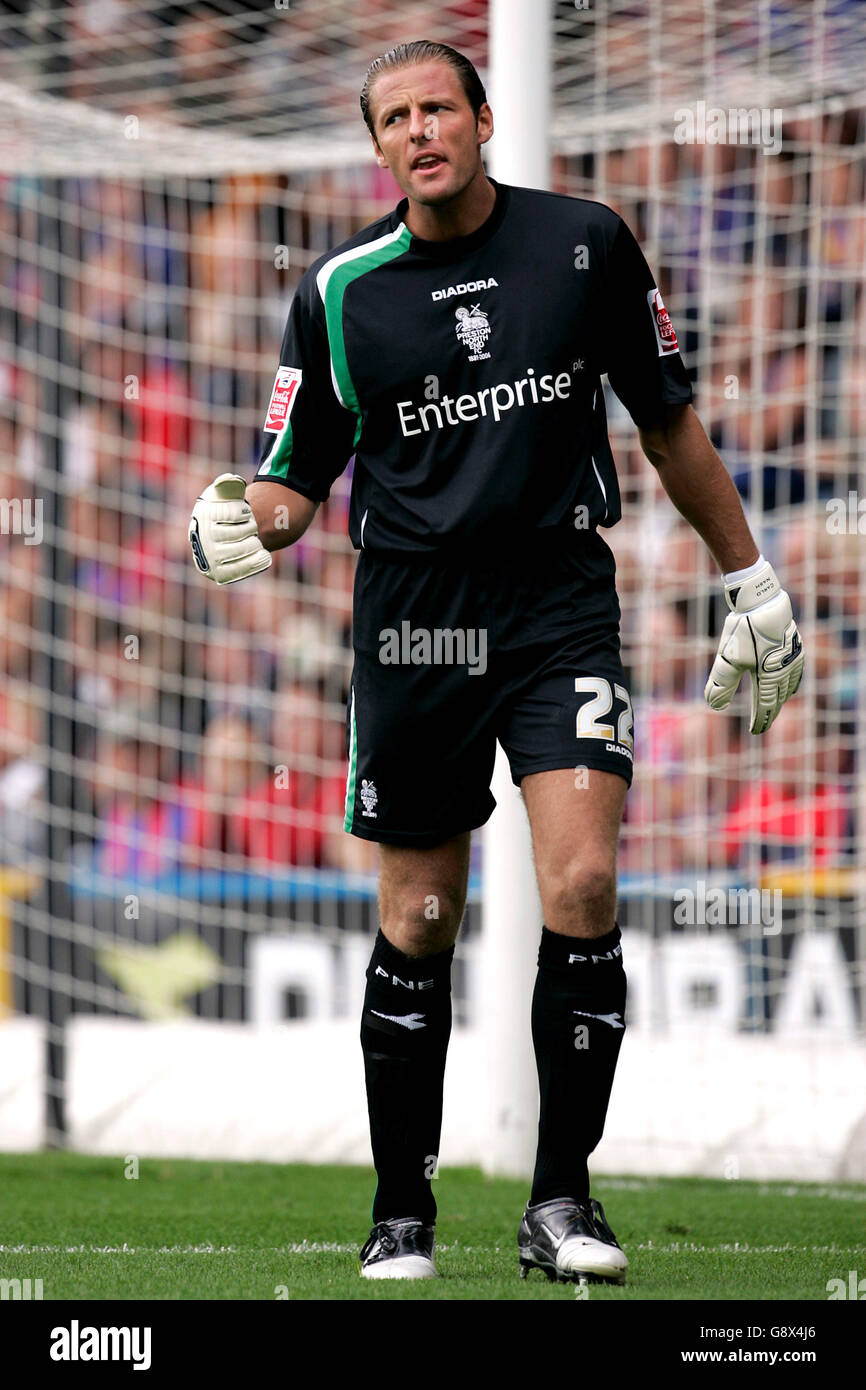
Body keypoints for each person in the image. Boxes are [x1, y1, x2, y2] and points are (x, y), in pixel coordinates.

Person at [188, 41, 804, 1285]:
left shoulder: (583, 246)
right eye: (394, 118)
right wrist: (232, 523)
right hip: (413, 618)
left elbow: (668, 421)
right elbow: (292, 483)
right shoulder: (340, 291)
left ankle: (562, 1202)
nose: (420, 130)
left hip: (555, 601)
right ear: (378, 148)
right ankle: (399, 1211)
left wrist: (747, 573)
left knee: (579, 883)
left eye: (438, 108)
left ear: (481, 117)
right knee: (420, 915)